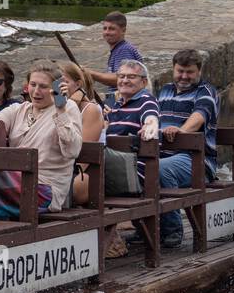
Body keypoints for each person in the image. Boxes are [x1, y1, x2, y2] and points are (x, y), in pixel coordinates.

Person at [0, 61, 83, 215]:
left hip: (44, 189)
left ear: (56, 88)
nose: (36, 91)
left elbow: (72, 150)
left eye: (43, 86)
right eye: (33, 84)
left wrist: (61, 109)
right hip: (15, 180)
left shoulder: (68, 108)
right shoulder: (19, 109)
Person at [156, 49, 219, 249]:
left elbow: (199, 116)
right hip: (162, 153)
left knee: (160, 169)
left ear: (199, 71)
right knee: (135, 167)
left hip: (196, 159)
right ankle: (144, 230)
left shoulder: (206, 92)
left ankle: (173, 229)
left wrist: (181, 131)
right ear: (173, 69)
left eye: (189, 72)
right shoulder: (165, 90)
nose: (184, 76)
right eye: (180, 71)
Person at [104, 58, 161, 255]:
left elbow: (152, 117)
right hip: (111, 169)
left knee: (80, 186)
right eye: (121, 76)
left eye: (131, 77)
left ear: (143, 82)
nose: (124, 80)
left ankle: (111, 242)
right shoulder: (114, 104)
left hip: (134, 174)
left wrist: (150, 127)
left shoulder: (146, 100)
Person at [61, 61, 107, 207]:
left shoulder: (90, 110)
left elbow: (82, 157)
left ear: (78, 84)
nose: (58, 87)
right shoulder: (52, 107)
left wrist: (71, 106)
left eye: (64, 82)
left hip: (83, 171)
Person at [88, 12, 144, 92]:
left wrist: (90, 74)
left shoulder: (124, 50)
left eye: (111, 29)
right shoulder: (119, 49)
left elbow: (120, 79)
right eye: (105, 28)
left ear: (123, 31)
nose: (107, 32)